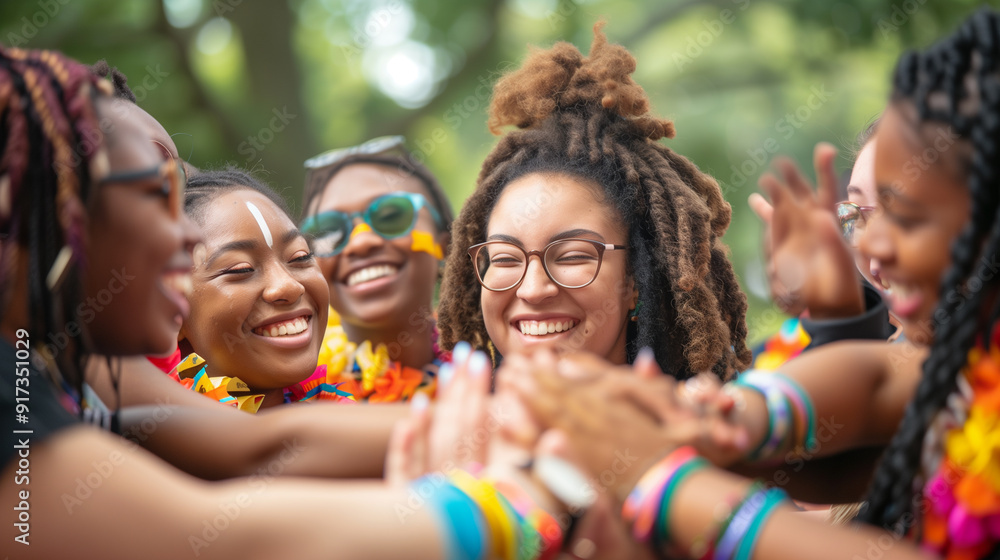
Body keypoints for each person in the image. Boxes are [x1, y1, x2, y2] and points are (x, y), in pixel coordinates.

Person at [0, 45, 587, 560]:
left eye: (299, 256)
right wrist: (531, 493)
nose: (183, 233)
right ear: (45, 211)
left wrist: (528, 425)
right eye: (158, 190)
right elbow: (225, 532)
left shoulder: (48, 378)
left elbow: (259, 447)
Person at [506, 8, 1000, 559]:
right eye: (857, 216)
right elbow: (875, 384)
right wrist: (706, 419)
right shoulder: (950, 368)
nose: (871, 245)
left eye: (907, 213)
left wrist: (663, 483)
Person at [437, 23, 752, 380]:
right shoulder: (442, 429)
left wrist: (828, 322)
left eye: (572, 255)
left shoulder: (710, 426)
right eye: (505, 259)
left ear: (633, 280)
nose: (533, 289)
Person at [175, 168, 354, 410]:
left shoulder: (350, 419)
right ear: (171, 310)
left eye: (300, 257)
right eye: (240, 269)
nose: (289, 286)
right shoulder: (140, 443)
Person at [300, 137, 454, 401]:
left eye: (392, 215)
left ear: (447, 244)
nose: (361, 242)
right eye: (329, 230)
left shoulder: (502, 364)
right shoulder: (287, 395)